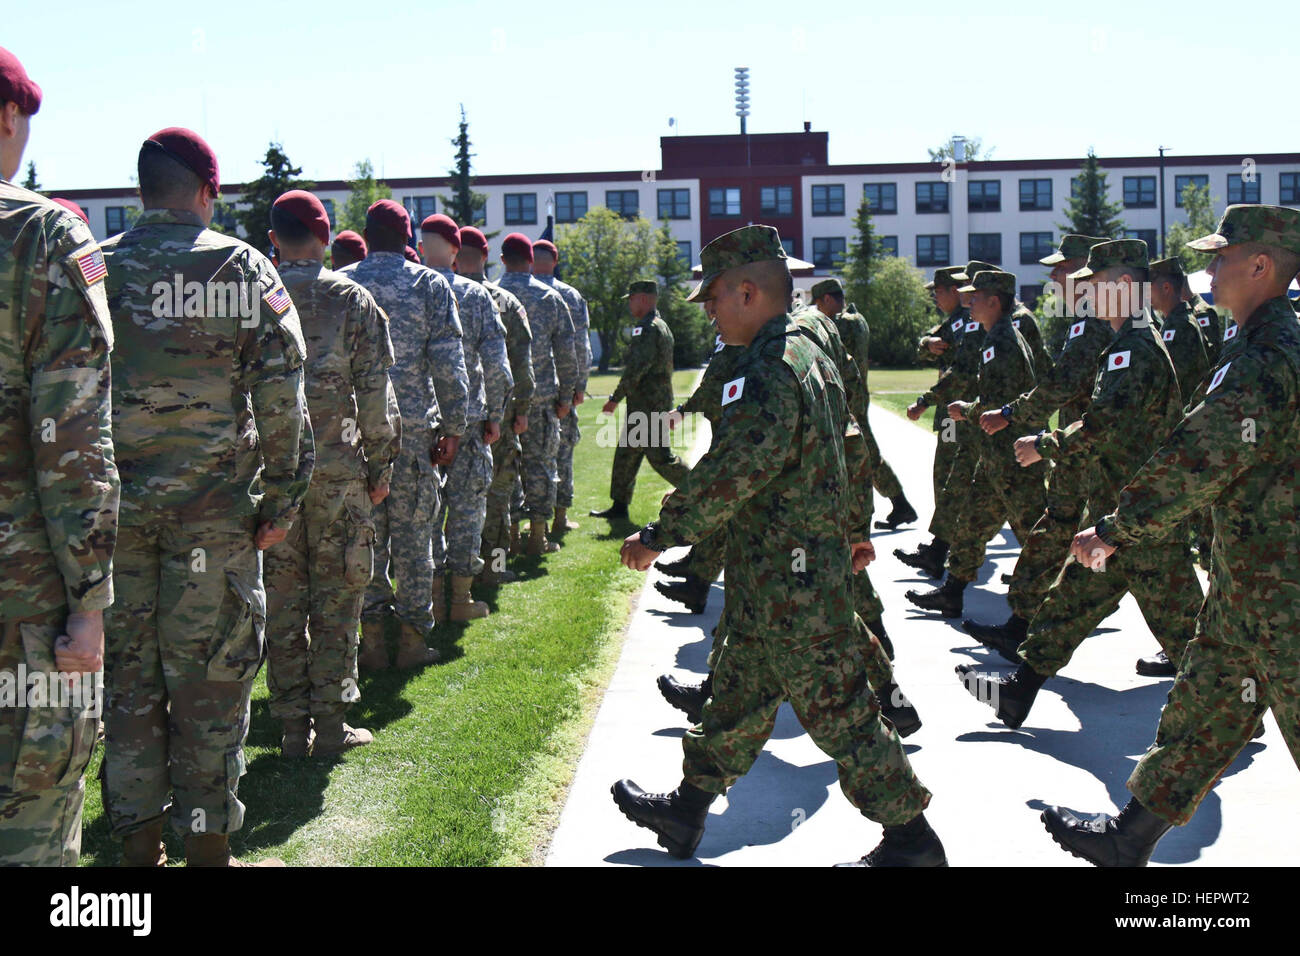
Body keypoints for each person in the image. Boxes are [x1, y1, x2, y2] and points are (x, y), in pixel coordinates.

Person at [611, 225, 944, 867]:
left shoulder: (771, 367)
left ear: (746, 291)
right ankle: (687, 811)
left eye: (712, 299)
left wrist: (661, 533)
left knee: (842, 713)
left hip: (793, 581)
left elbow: (737, 466)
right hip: (777, 573)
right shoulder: (812, 340)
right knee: (737, 690)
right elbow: (848, 440)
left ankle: (912, 840)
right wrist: (854, 528)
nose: (707, 312)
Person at [1039, 205, 1300, 867]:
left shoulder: (1272, 353)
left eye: (1222, 257)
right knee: (1202, 711)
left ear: (1261, 265)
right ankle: (1130, 840)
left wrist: (1118, 528)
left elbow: (1202, 455)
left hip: (1288, 594)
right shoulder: (1247, 342)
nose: (1207, 268)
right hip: (1250, 586)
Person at [99, 127, 312, 867]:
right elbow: (282, 396)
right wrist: (282, 502)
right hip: (214, 524)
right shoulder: (239, 265)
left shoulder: (94, 270)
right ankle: (208, 853)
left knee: (128, 689)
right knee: (211, 691)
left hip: (115, 528)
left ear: (143, 191)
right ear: (205, 191)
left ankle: (137, 855)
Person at [956, 239, 1202, 727]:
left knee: (1187, 629)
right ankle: (1019, 694)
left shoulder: (1135, 349)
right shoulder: (1124, 343)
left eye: (1094, 280)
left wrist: (1043, 444)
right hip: (1124, 513)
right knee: (1070, 601)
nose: (1084, 289)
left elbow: (1104, 423)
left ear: (1125, 286)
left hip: (1143, 519)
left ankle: (1232, 708)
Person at [0, 46, 120, 867]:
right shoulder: (42, 234)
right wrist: (89, 598)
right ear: (10, 116)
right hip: (26, 595)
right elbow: (72, 434)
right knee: (34, 818)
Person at [263, 190, 399, 753]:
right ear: (324, 239)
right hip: (340, 477)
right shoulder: (352, 299)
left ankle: (292, 727)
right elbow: (375, 396)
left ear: (274, 239)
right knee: (339, 601)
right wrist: (381, 464)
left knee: (283, 603)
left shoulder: (251, 299)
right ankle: (329, 725)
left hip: (270, 479)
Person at [961, 234, 1110, 648]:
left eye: (1063, 267)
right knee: (1059, 529)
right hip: (1079, 444)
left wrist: (1013, 415)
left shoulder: (1094, 320)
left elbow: (1063, 381)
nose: (1055, 274)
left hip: (1088, 448)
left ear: (1088, 271)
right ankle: (1027, 627)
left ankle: (1037, 628)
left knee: (1122, 549)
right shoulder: (1093, 318)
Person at [351, 200, 468, 668]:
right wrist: (455, 426)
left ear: (366, 234)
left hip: (356, 435)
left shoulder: (345, 282)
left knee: (366, 538)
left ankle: (374, 640)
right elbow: (448, 363)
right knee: (415, 539)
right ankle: (414, 642)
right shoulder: (429, 285)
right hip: (413, 435)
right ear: (407, 239)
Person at [905, 268, 1046, 618]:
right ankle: (952, 593)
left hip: (1012, 455)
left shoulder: (1002, 341)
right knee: (971, 524)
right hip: (995, 455)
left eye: (976, 296)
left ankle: (1055, 603)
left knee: (1036, 533)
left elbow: (1002, 402)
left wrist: (965, 409)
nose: (970, 302)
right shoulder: (995, 335)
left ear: (994, 301)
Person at [420, 214, 510, 621]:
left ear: (423, 247)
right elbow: (496, 363)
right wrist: (495, 414)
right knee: (466, 510)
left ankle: (431, 599)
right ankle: (459, 599)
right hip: (470, 422)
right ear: (456, 251)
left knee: (424, 513)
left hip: (419, 420)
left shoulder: (407, 287)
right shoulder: (475, 296)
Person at [896, 261, 995, 577]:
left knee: (954, 478)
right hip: (952, 410)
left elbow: (962, 372)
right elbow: (923, 349)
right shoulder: (956, 321)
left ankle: (950, 546)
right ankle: (945, 544)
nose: (935, 298)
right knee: (950, 478)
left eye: (938, 291)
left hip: (962, 413)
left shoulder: (972, 320)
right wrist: (927, 344)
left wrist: (925, 400)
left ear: (956, 290)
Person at [455, 227, 535, 582]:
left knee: (451, 500)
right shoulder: (503, 301)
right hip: (496, 414)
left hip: (448, 415)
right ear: (486, 256)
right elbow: (520, 364)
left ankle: (451, 576)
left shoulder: (438, 291)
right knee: (498, 493)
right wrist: (521, 410)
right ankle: (494, 569)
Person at [807, 277, 917, 529]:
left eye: (818, 304)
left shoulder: (846, 324)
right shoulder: (855, 318)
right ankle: (899, 505)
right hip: (853, 395)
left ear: (826, 299)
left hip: (849, 399)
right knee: (863, 453)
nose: (818, 310)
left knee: (865, 454)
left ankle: (897, 505)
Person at [497, 233, 577, 555]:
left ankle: (511, 537)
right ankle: (538, 537)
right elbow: (566, 352)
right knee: (542, 466)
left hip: (503, 401)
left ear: (502, 260)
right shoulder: (549, 297)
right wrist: (566, 396)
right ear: (531, 260)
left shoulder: (491, 294)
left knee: (507, 469)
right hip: (542, 400)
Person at [590, 280, 689, 521]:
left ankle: (701, 488)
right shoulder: (659, 325)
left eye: (632, 299)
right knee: (627, 454)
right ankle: (619, 506)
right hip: (648, 404)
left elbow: (637, 368)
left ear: (643, 299)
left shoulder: (648, 328)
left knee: (660, 457)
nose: (630, 305)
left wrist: (615, 398)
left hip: (648, 406)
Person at [532, 238, 590, 536]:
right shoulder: (569, 295)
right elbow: (579, 346)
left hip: (526, 390)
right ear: (555, 262)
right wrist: (578, 386)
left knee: (527, 456)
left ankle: (525, 524)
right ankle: (559, 516)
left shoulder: (507, 290)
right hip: (560, 389)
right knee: (562, 451)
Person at [1149, 256, 1210, 401]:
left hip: (1184, 410)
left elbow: (1170, 375)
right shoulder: (1174, 322)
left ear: (1166, 288)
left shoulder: (1182, 325)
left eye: (1149, 288)